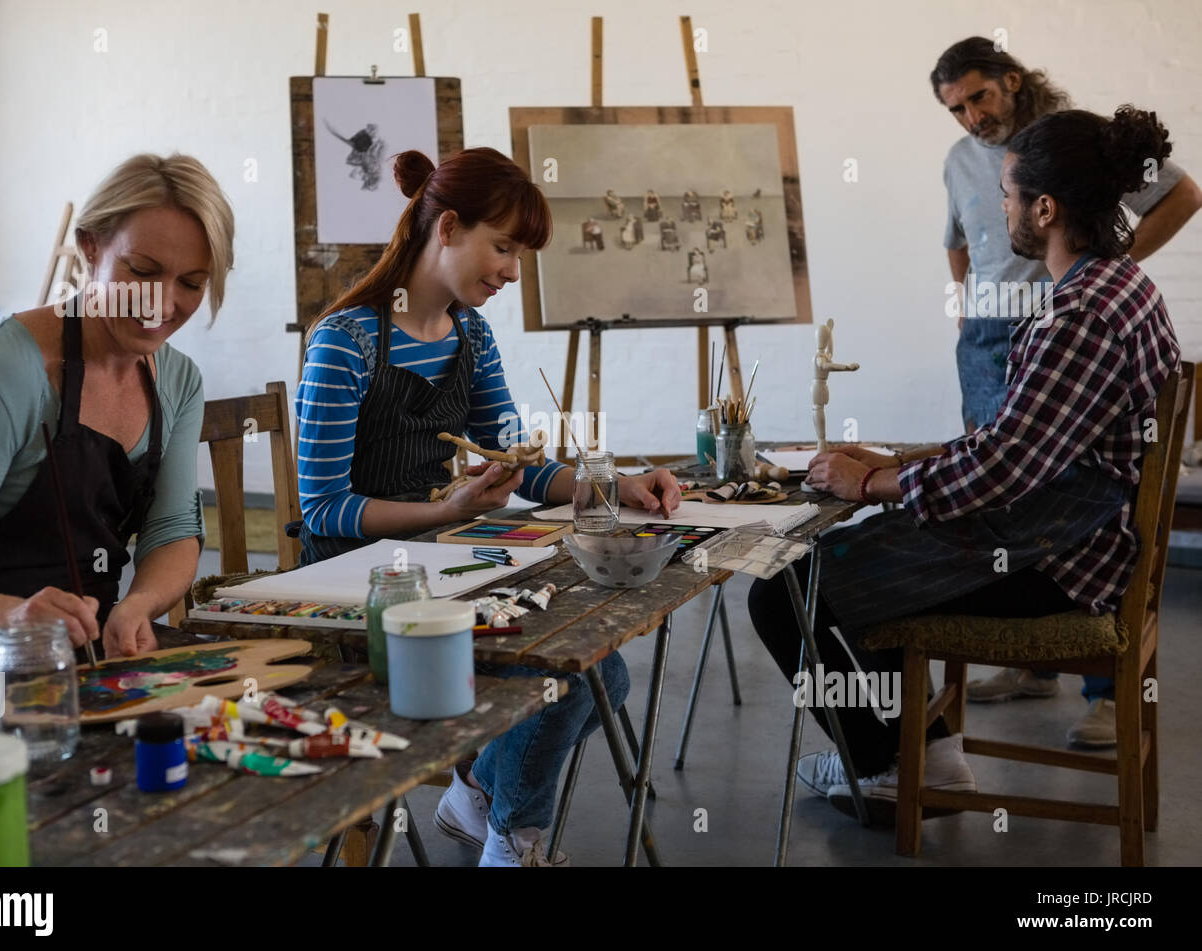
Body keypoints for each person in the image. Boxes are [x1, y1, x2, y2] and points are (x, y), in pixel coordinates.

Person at [749, 106, 1180, 822]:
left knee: (787, 592)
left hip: (1063, 562)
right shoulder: (1119, 286)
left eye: (1008, 193)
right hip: (1077, 538)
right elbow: (1021, 439)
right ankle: (931, 755)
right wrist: (898, 462)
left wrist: (872, 482)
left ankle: (882, 767)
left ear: (1045, 208)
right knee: (848, 560)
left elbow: (1005, 466)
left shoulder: (1076, 316)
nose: (1001, 206)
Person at [293, 146, 681, 865]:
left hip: (442, 561)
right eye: (502, 247)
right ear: (445, 229)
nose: (510, 271)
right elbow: (322, 511)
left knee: (605, 673)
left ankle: (475, 796)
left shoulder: (471, 336)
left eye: (520, 255)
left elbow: (523, 466)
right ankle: (513, 839)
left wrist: (614, 487)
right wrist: (446, 513)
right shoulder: (344, 343)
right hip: (356, 582)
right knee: (566, 683)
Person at [0, 153, 234, 734]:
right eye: (141, 270)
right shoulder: (6, 369)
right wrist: (15, 619)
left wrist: (137, 605)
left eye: (191, 283)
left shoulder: (178, 381)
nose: (161, 301)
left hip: (95, 647)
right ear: (89, 247)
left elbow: (175, 531)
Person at [932, 38, 1201, 737]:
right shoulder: (959, 160)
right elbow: (957, 238)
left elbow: (1184, 193)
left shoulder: (1072, 145)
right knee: (1001, 493)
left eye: (978, 97)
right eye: (954, 108)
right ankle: (1032, 662)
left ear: (1013, 81)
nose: (969, 118)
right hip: (987, 341)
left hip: (1061, 331)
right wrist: (968, 306)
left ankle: (1104, 691)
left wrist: (1107, 263)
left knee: (1077, 499)